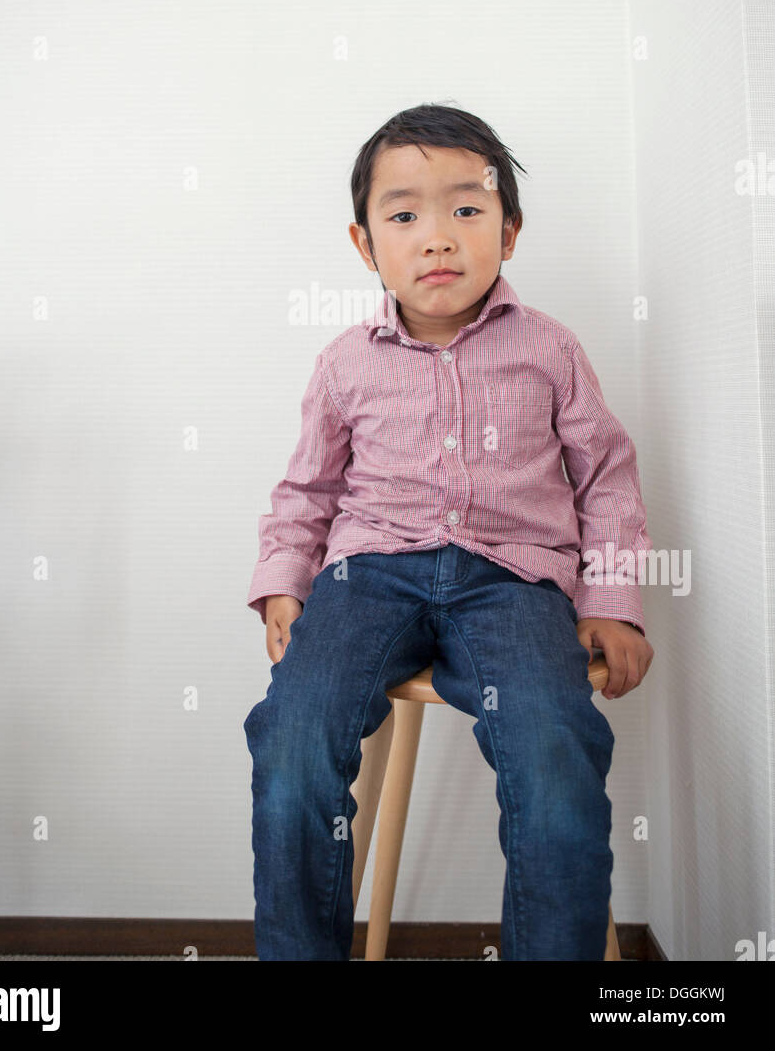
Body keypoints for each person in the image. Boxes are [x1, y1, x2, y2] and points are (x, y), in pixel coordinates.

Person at [243, 102, 655, 960]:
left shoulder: (550, 351)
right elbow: (306, 488)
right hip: (368, 581)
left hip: (515, 584)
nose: (437, 238)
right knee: (292, 737)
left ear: (508, 233)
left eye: (467, 210)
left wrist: (613, 600)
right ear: (366, 246)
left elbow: (607, 480)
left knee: (554, 752)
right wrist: (284, 579)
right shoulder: (344, 364)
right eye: (405, 216)